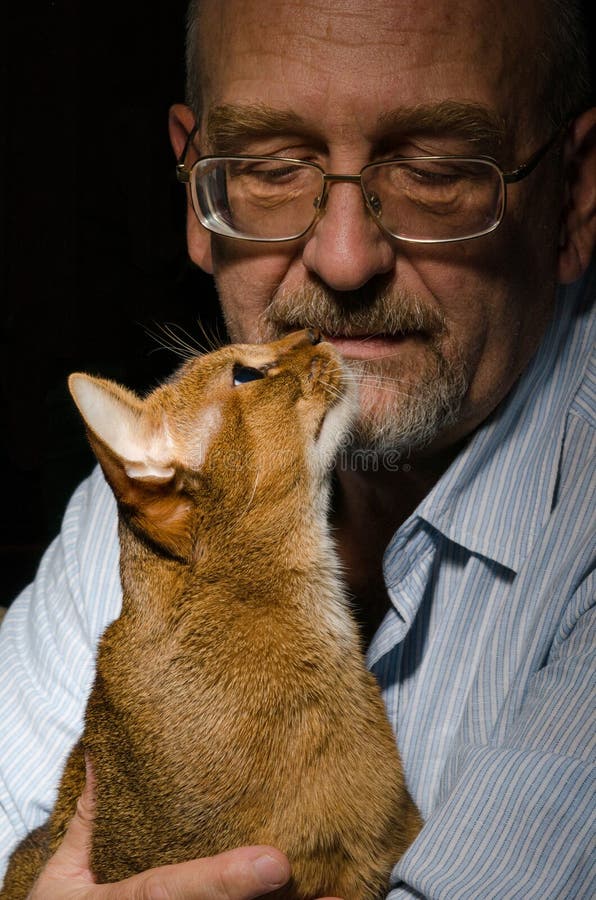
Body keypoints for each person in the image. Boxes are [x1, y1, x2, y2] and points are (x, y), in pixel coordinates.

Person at [1, 0, 594, 897]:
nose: (346, 261)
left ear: (576, 197)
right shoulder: (163, 489)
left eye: (435, 172)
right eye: (271, 169)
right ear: (200, 199)